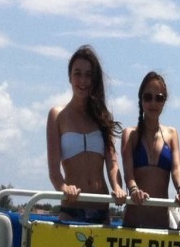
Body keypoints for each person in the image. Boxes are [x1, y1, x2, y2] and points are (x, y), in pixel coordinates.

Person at [46, 45, 127, 220]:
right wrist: (64, 188)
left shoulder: (103, 117)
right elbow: (54, 170)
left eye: (88, 75)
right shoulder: (57, 115)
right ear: (69, 77)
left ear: (94, 79)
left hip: (101, 209)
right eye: (77, 73)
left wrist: (117, 187)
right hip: (71, 209)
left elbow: (112, 164)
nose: (83, 80)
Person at [121, 72, 180, 229]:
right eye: (148, 97)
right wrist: (134, 190)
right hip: (133, 225)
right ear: (141, 100)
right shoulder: (130, 134)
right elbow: (128, 174)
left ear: (164, 102)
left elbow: (176, 170)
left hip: (161, 226)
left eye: (158, 98)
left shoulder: (172, 134)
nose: (153, 102)